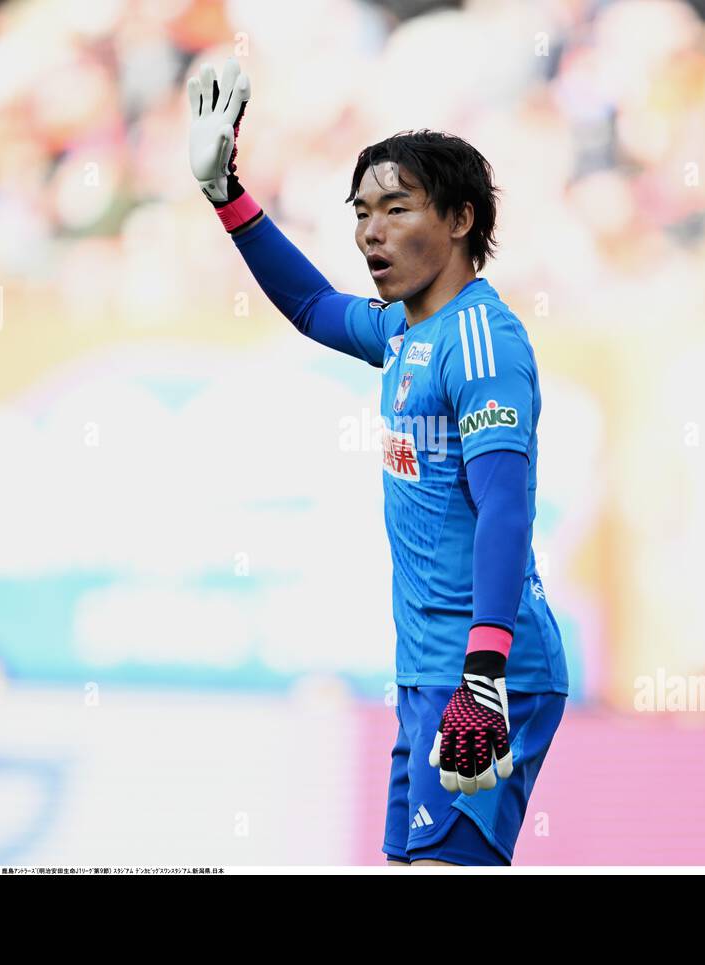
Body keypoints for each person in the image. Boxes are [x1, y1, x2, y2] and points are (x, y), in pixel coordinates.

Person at [187, 58, 567, 866]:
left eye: (397, 208)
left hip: (485, 676)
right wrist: (228, 196)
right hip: (432, 674)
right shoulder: (403, 331)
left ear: (461, 219)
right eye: (362, 212)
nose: (371, 231)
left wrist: (486, 675)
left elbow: (506, 507)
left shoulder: (481, 342)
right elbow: (314, 305)